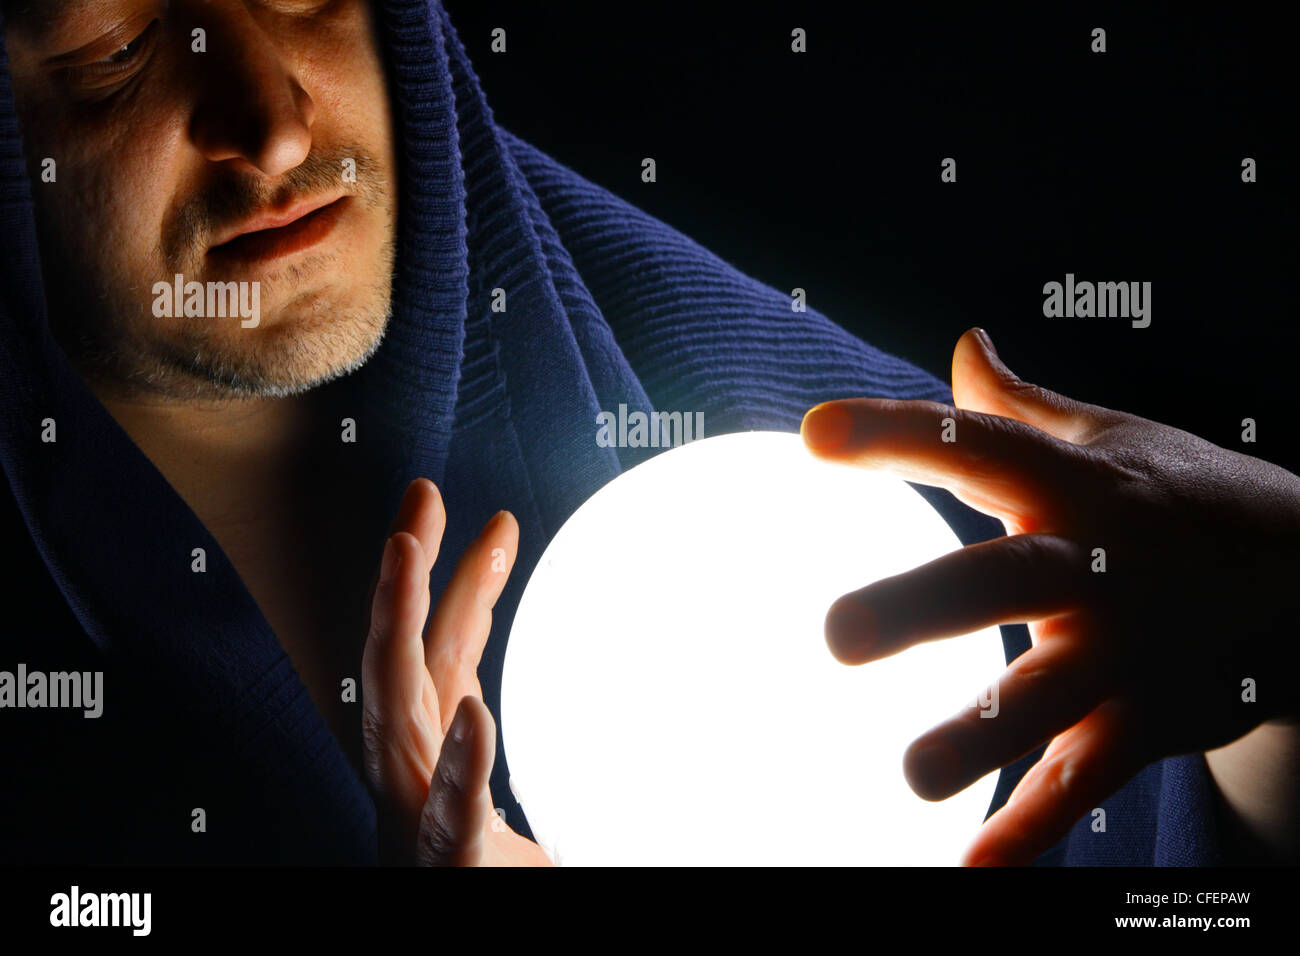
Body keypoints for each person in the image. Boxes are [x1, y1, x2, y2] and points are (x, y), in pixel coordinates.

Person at [0, 0, 1293, 866]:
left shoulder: (742, 428)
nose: (273, 124)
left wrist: (1277, 625)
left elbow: (1160, 835)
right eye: (111, 54)